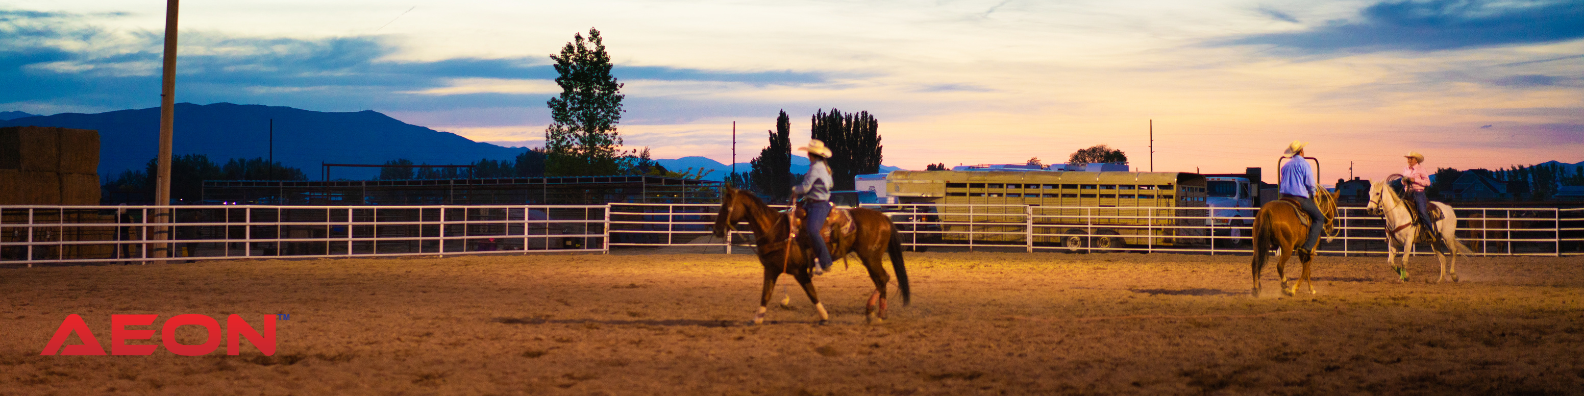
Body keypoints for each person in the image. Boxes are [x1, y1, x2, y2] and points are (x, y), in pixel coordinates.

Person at [793, 139, 835, 275]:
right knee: (799, 226)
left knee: (812, 230)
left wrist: (795, 189)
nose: (807, 156)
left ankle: (826, 261)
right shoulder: (824, 168)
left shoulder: (816, 168)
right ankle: (808, 259)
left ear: (812, 154)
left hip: (818, 205)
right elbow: (830, 185)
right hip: (816, 203)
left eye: (809, 153)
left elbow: (805, 187)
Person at [1279, 140, 1326, 261]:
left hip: (1283, 198)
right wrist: (1314, 192)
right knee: (1319, 218)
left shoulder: (1285, 166)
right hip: (1298, 198)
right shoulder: (1304, 164)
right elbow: (1310, 182)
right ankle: (1308, 247)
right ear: (1301, 151)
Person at [1402, 151, 1444, 246]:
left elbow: (1428, 183)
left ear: (1416, 160)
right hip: (1407, 193)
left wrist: (1414, 180)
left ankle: (1431, 233)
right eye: (1408, 158)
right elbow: (1403, 182)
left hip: (1419, 193)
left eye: (1411, 158)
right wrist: (1403, 181)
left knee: (1422, 211)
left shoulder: (1421, 169)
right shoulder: (1405, 169)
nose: (1409, 160)